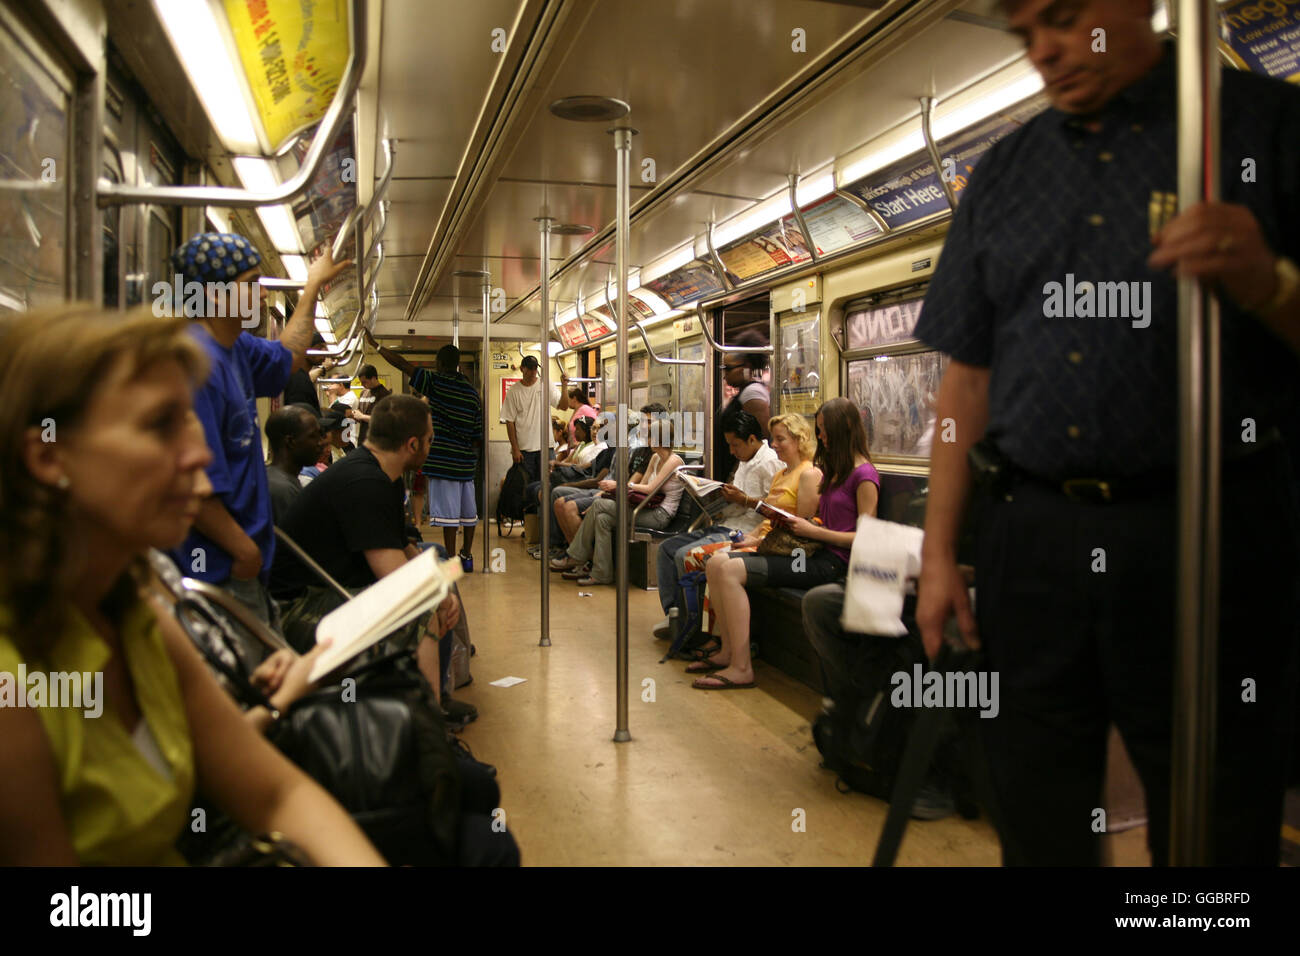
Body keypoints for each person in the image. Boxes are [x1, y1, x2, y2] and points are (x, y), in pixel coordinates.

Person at [913, 0, 1300, 866]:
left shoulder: (1261, 127)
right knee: (1035, 807)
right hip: (1032, 537)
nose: (1045, 52)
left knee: (1216, 822)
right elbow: (966, 378)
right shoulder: (1005, 172)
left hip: (1209, 526)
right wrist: (940, 552)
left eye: (1062, 17)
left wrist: (1266, 280)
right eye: (1024, 37)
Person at [0, 305, 385, 865]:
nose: (201, 454)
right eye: (159, 425)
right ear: (47, 454)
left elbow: (278, 793)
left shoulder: (136, 615)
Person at [170, 231, 350, 630]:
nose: (264, 296)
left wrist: (313, 286)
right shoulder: (196, 364)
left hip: (244, 563)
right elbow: (193, 484)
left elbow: (286, 356)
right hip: (218, 568)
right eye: (251, 284)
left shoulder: (235, 348)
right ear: (215, 295)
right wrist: (243, 552)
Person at [269, 395, 467, 716]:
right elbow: (397, 577)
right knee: (423, 612)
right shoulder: (364, 483)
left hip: (331, 587)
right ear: (413, 444)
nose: (433, 446)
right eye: (430, 440)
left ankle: (430, 707)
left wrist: (442, 583)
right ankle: (432, 732)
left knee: (437, 582)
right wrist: (437, 595)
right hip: (300, 605)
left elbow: (405, 547)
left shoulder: (381, 474)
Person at [694, 397, 878, 689]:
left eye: (825, 430)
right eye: (819, 431)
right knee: (717, 562)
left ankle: (742, 667)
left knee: (729, 570)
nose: (822, 437)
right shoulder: (835, 470)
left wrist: (813, 530)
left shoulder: (864, 475)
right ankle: (728, 650)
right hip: (811, 554)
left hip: (831, 563)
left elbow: (866, 538)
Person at [652, 410, 787, 637]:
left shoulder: (770, 464)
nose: (732, 451)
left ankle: (691, 626)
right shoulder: (745, 460)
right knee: (666, 549)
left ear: (752, 439)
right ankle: (674, 614)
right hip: (727, 522)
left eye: (735, 445)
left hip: (744, 530)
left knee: (684, 554)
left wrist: (742, 499)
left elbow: (774, 507)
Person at [549, 404, 684, 586]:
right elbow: (641, 485)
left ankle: (576, 556)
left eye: (651, 435)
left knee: (598, 506)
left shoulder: (674, 461)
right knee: (602, 519)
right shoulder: (655, 458)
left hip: (659, 514)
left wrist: (623, 487)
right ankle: (601, 572)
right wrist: (628, 487)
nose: (647, 437)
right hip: (644, 507)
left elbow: (650, 488)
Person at [714, 331, 772, 481]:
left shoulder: (752, 393)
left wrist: (734, 476)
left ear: (746, 366)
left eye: (728, 368)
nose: (725, 375)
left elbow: (760, 440)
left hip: (743, 476)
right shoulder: (742, 394)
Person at [500, 355, 562, 483]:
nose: (534, 372)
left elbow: (562, 405)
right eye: (530, 368)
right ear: (522, 369)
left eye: (535, 368)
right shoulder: (514, 391)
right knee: (525, 486)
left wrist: (565, 386)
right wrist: (515, 448)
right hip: (524, 450)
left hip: (546, 448)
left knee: (546, 484)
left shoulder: (545, 384)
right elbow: (509, 421)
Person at [265, 404, 324, 523]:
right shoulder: (282, 490)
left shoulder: (280, 480)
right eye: (312, 436)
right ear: (290, 442)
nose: (320, 443)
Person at [282, 332, 333, 413]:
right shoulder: (297, 379)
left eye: (325, 348)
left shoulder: (303, 376)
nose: (324, 352)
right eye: (320, 347)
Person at [350, 363, 392, 445]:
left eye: (365, 382)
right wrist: (355, 415)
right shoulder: (363, 392)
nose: (362, 385)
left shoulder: (384, 394)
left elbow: (385, 420)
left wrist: (362, 416)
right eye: (361, 382)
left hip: (377, 440)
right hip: (363, 438)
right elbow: (360, 413)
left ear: (373, 378)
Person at [324, 380, 359, 449]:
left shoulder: (350, 397)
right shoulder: (326, 448)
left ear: (341, 384)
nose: (330, 386)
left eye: (333, 384)